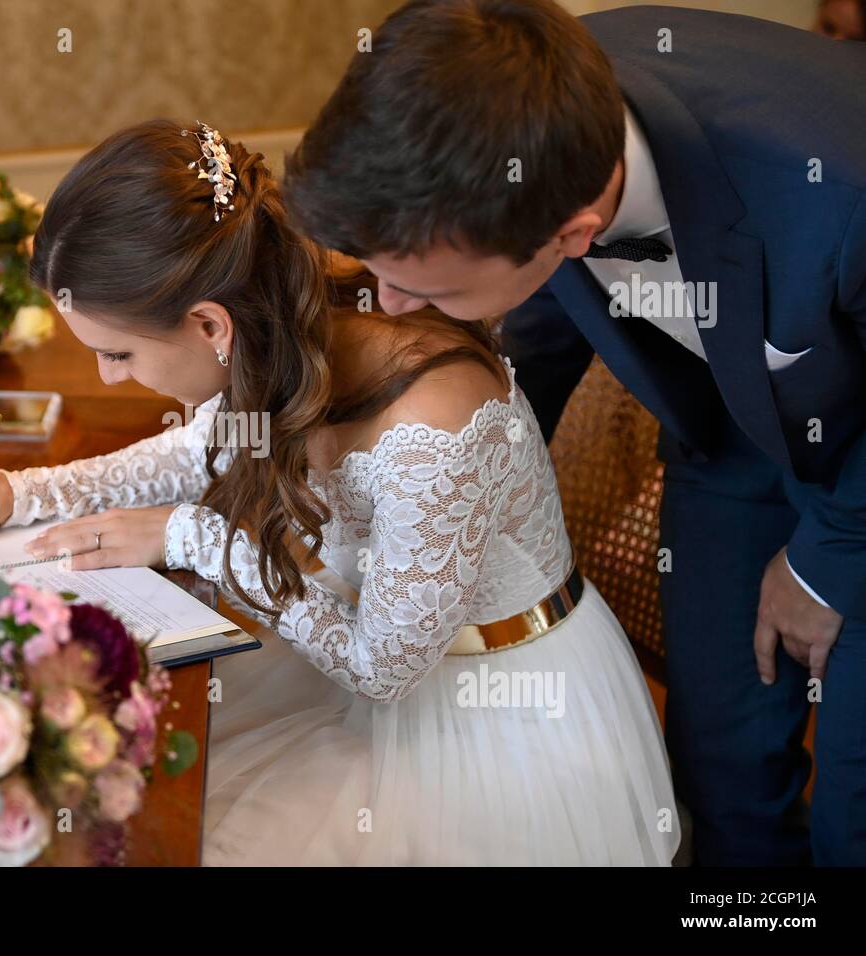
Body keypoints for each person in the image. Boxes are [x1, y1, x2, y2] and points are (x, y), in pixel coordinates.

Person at [0, 119, 678, 865]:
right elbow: (196, 450)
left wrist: (195, 537)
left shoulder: (434, 425)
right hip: (364, 650)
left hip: (489, 713)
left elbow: (384, 672)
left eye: (117, 354)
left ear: (210, 324)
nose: (109, 377)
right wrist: (17, 494)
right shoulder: (282, 315)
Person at [282, 0, 866, 865]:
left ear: (575, 233)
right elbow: (535, 344)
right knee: (721, 760)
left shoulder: (838, 200)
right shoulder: (517, 115)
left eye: (424, 290)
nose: (391, 305)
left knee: (852, 800)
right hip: (723, 435)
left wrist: (823, 565)